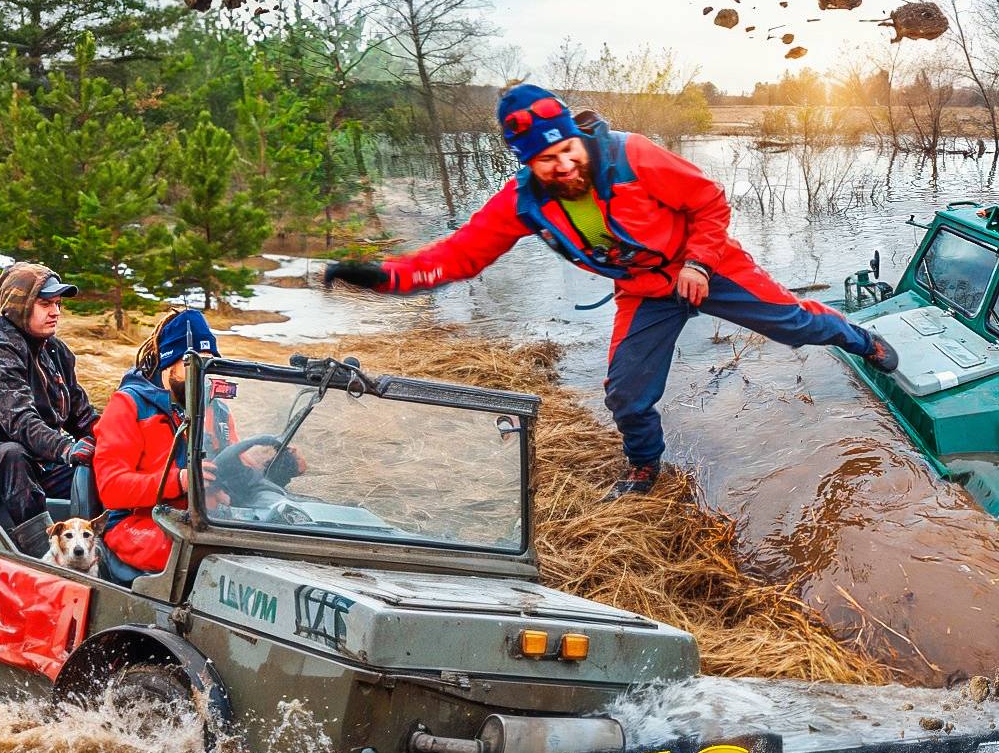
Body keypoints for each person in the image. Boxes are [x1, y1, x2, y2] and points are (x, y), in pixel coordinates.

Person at [318, 83, 898, 499]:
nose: (563, 167)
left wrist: (698, 262)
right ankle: (645, 466)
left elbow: (709, 202)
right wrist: (384, 278)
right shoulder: (523, 202)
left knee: (796, 326)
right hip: (644, 291)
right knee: (625, 393)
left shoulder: (632, 154)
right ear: (526, 162)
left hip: (707, 266)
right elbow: (459, 257)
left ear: (576, 138)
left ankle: (858, 338)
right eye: (545, 161)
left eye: (566, 151)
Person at [93, 309, 307, 574]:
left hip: (206, 519)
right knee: (208, 558)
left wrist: (276, 469)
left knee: (284, 534)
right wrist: (181, 480)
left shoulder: (217, 411)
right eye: (193, 366)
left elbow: (231, 467)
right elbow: (111, 489)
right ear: (169, 363)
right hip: (141, 522)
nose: (201, 376)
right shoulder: (128, 405)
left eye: (207, 365)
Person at [0, 262, 99, 556]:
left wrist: (117, 440)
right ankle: (43, 555)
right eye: (45, 303)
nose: (55, 312)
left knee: (93, 471)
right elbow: (20, 421)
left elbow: (82, 415)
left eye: (58, 304)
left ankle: (106, 550)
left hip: (34, 461)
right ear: (19, 306)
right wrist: (66, 448)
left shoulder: (54, 351)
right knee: (12, 454)